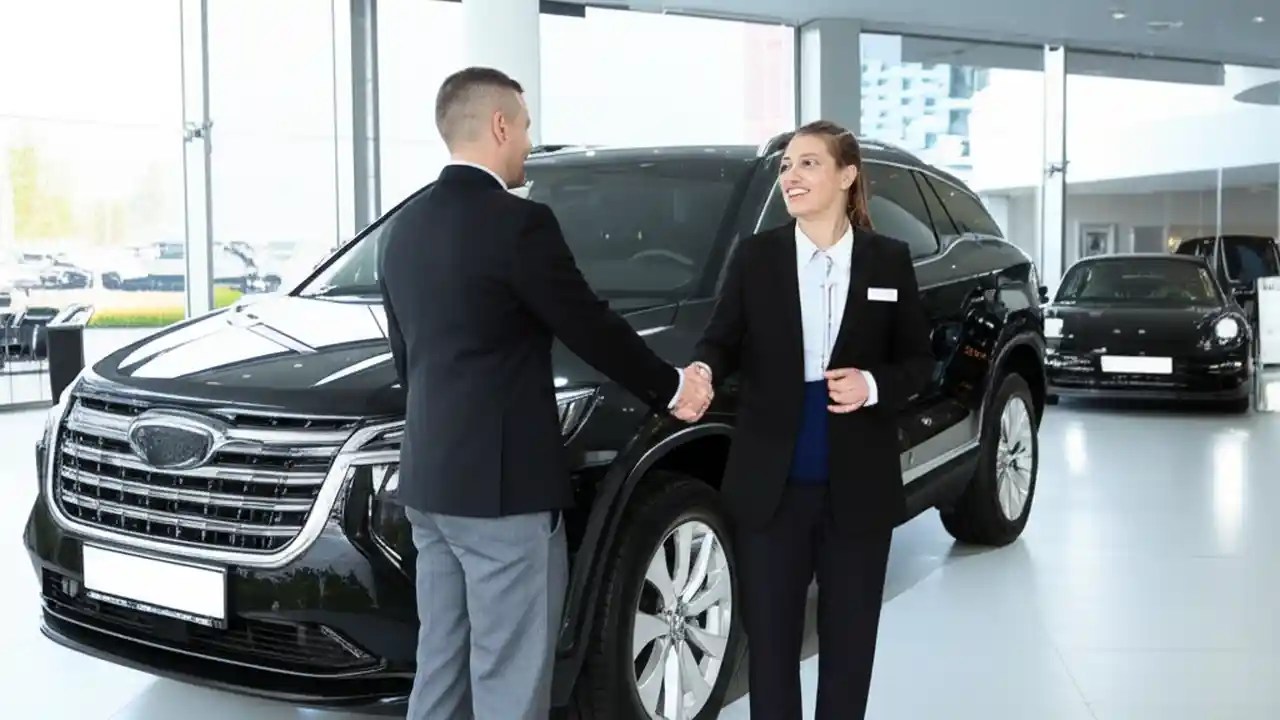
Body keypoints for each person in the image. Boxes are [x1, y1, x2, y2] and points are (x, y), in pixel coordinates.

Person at [377, 66, 713, 720]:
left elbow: (407, 360)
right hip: (502, 493)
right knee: (509, 672)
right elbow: (588, 324)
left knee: (441, 662)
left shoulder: (402, 228)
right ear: (500, 125)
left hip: (428, 483)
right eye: (525, 127)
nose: (528, 141)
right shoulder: (519, 224)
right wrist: (672, 386)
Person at [688, 120, 933, 719]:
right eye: (785, 167)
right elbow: (720, 340)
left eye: (807, 164)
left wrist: (873, 384)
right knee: (770, 648)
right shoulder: (757, 257)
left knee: (850, 646)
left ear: (847, 176)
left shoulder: (887, 260)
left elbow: (919, 363)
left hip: (860, 486)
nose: (790, 177)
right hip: (770, 485)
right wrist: (701, 369)